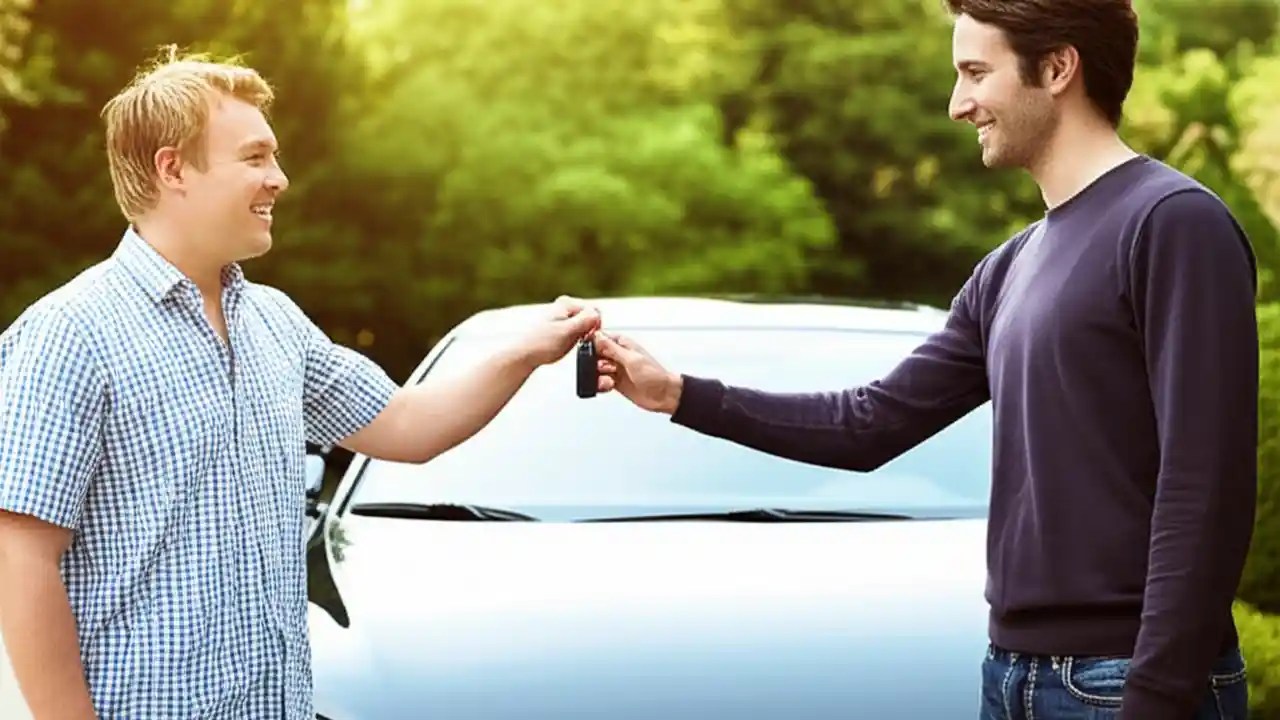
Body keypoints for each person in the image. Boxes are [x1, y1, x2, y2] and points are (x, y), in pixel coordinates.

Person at [593, 1, 1259, 718]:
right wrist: (678, 394)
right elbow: (870, 423)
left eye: (975, 72)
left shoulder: (1173, 224)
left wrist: (1156, 696)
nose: (957, 104)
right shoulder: (1008, 268)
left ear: (1058, 67)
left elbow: (1206, 487)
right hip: (1013, 676)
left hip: (1122, 684)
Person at [0, 50, 602, 719]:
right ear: (173, 169)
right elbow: (19, 557)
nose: (279, 180)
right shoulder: (70, 333)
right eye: (255, 158)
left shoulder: (274, 323)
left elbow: (408, 423)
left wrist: (524, 351)